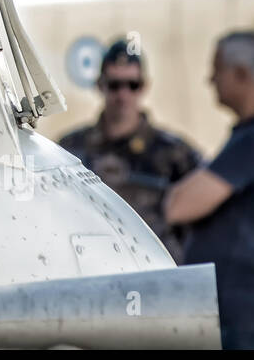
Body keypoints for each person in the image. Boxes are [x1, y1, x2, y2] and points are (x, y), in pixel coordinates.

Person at [166, 30, 254, 350]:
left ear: (242, 73)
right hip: (249, 313)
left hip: (239, 319)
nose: (210, 80)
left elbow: (179, 205)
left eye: (217, 70)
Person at [59, 40, 201, 262]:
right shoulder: (70, 150)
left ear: (144, 86)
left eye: (132, 85)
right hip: (90, 269)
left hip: (158, 273)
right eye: (114, 85)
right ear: (99, 85)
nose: (123, 95)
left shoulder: (175, 154)